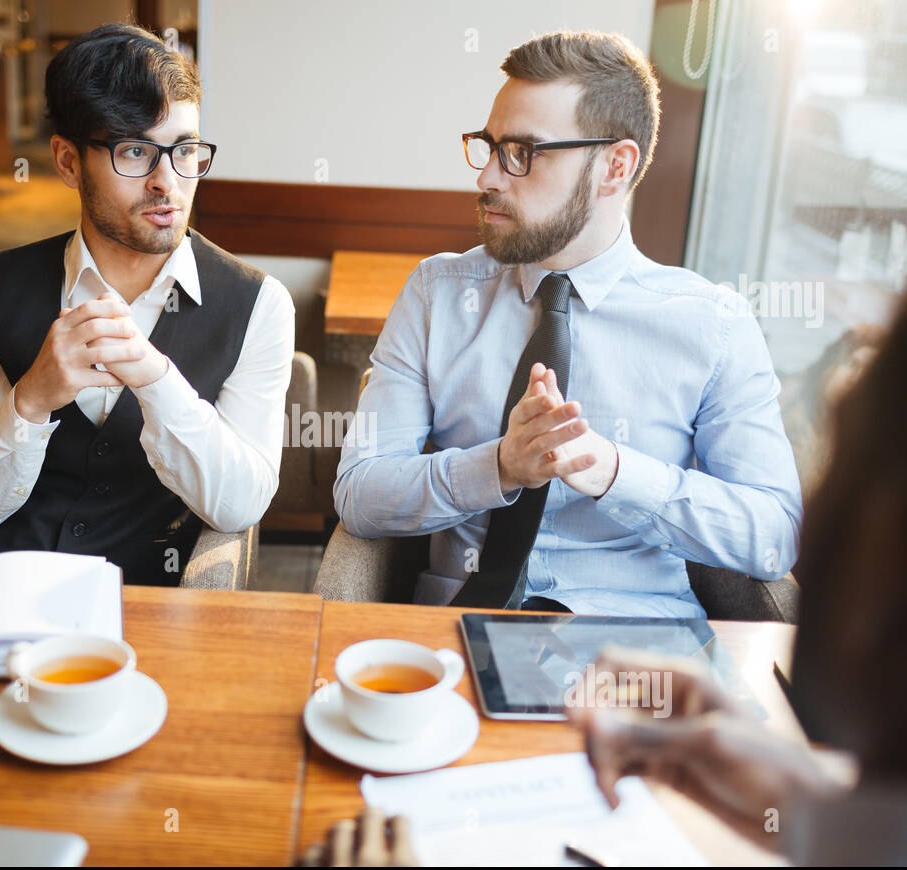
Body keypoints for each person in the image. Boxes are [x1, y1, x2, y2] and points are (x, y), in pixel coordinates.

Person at [567, 182, 907, 864]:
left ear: (899, 553)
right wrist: (806, 802)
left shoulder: (714, 322)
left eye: (837, 447)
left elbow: (767, 533)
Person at [332, 31, 801, 616]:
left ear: (615, 166)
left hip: (635, 648)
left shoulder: (715, 325)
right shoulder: (437, 294)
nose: (488, 179)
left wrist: (614, 472)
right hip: (458, 632)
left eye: (523, 152)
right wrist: (498, 466)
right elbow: (359, 493)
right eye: (491, 145)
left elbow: (774, 535)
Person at [0, 24, 295, 583]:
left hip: (133, 603)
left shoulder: (259, 305)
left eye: (185, 150)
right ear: (69, 162)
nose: (166, 182)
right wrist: (32, 397)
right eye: (133, 151)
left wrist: (156, 380)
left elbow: (240, 506)